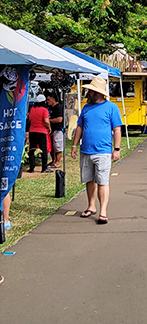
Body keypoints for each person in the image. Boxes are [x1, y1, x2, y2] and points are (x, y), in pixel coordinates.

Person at [71, 77, 123, 224]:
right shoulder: (86, 108)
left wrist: (117, 149)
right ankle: (91, 206)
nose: (88, 93)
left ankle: (103, 211)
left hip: (103, 151)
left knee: (102, 181)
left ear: (98, 93)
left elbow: (117, 129)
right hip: (86, 150)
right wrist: (74, 145)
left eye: (91, 91)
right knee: (89, 179)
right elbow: (80, 127)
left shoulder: (111, 108)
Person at [27, 94, 51, 173]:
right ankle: (44, 168)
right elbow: (46, 121)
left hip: (32, 131)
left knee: (32, 149)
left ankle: (31, 167)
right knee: (43, 150)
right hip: (41, 131)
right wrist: (49, 128)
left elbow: (29, 119)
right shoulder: (44, 110)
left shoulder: (32, 109)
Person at [45, 91, 64, 169]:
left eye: (49, 99)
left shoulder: (59, 107)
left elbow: (59, 119)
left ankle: (57, 162)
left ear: (53, 99)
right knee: (52, 147)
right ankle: (53, 160)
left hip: (57, 129)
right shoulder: (49, 108)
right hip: (51, 130)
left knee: (58, 146)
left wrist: (49, 120)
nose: (47, 101)